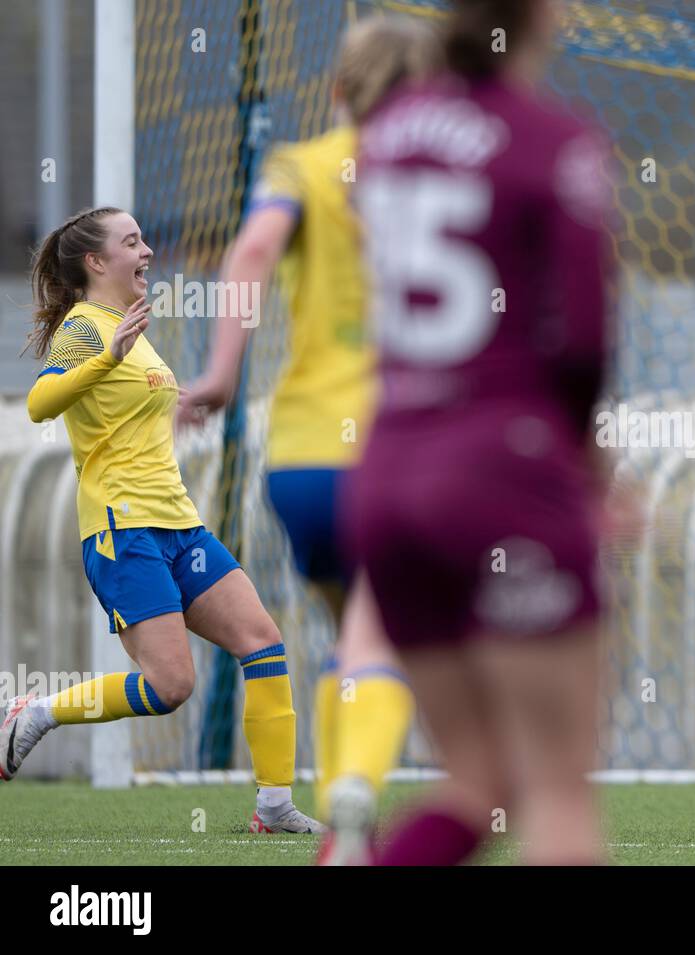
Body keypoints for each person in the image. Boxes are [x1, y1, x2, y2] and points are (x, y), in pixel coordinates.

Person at [349, 0, 615, 865]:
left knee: (473, 779)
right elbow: (581, 342)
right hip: (502, 470)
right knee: (556, 791)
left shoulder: (386, 134)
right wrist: (587, 471)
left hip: (385, 472)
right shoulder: (554, 141)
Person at [178, 16, 431, 864]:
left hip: (304, 459)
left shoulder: (304, 167)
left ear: (336, 92)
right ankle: (353, 791)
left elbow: (250, 249)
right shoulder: (448, 184)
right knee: (383, 634)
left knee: (345, 630)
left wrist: (219, 371)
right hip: (402, 452)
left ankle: (340, 818)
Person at [4, 207, 319, 833]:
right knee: (170, 686)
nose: (147, 251)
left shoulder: (133, 328)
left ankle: (275, 806)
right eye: (132, 241)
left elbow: (124, 413)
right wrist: (103, 359)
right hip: (124, 530)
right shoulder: (87, 328)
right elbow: (41, 402)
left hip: (180, 524)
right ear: (97, 263)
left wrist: (181, 406)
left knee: (262, 641)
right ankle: (34, 715)